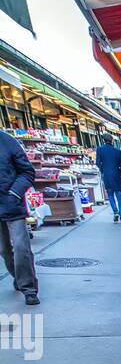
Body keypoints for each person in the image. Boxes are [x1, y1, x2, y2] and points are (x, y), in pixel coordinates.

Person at [0, 128, 39, 304]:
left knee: (21, 247)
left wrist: (14, 193)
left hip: (12, 204)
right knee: (3, 250)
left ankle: (29, 288)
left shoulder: (8, 141)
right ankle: (18, 276)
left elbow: (27, 172)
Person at [95, 134, 121, 222]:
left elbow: (98, 163)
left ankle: (115, 211)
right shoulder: (118, 151)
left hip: (107, 175)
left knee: (110, 195)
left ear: (103, 141)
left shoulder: (100, 150)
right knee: (119, 196)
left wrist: (103, 170)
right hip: (117, 175)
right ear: (112, 140)